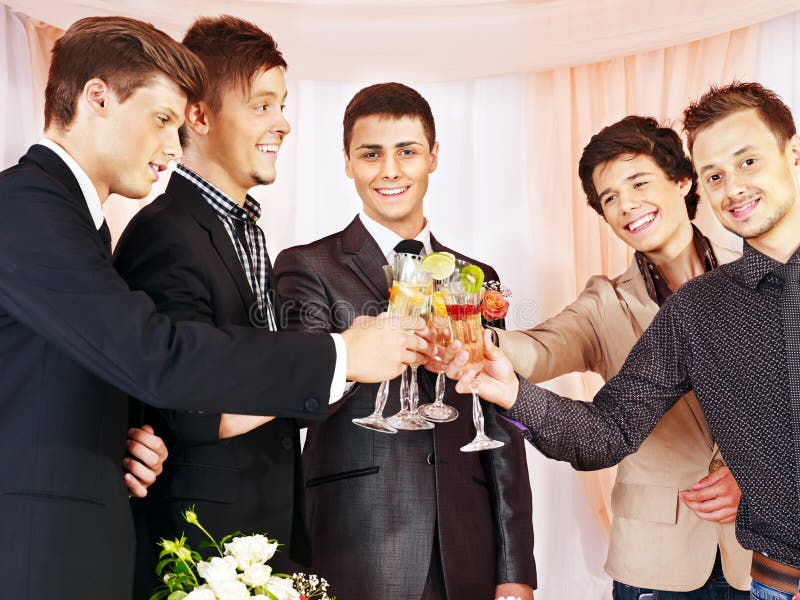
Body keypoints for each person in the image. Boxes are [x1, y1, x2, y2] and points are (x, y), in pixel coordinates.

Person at [0, 17, 431, 599]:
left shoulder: (78, 221)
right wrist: (341, 354)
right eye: (161, 120)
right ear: (96, 98)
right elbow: (158, 356)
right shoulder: (29, 206)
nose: (172, 145)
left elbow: (72, 365)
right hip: (47, 551)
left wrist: (129, 430)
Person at [448, 82, 800, 598]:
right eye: (716, 174)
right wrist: (501, 376)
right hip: (738, 573)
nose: (732, 187)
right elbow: (594, 411)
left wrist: (755, 477)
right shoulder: (691, 308)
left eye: (747, 162)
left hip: (749, 561)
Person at [273, 82, 536, 599]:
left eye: (407, 151)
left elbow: (501, 427)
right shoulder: (306, 266)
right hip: (356, 540)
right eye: (371, 154)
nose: (389, 170)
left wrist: (516, 568)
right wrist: (379, 335)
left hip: (469, 547)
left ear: (433, 157)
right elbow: (299, 400)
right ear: (348, 162)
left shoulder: (477, 275)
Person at [494, 115, 750, 598]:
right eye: (609, 198)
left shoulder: (757, 274)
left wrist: (755, 469)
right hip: (654, 562)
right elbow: (539, 347)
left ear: (682, 180)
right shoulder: (603, 303)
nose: (626, 205)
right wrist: (479, 342)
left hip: (759, 551)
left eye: (638, 182)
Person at [112, 16, 315, 596]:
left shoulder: (245, 228)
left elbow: (257, 363)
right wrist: (336, 363)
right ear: (198, 117)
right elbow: (186, 405)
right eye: (262, 105)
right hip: (200, 550)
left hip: (268, 535)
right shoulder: (165, 233)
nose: (283, 123)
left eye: (283, 105)